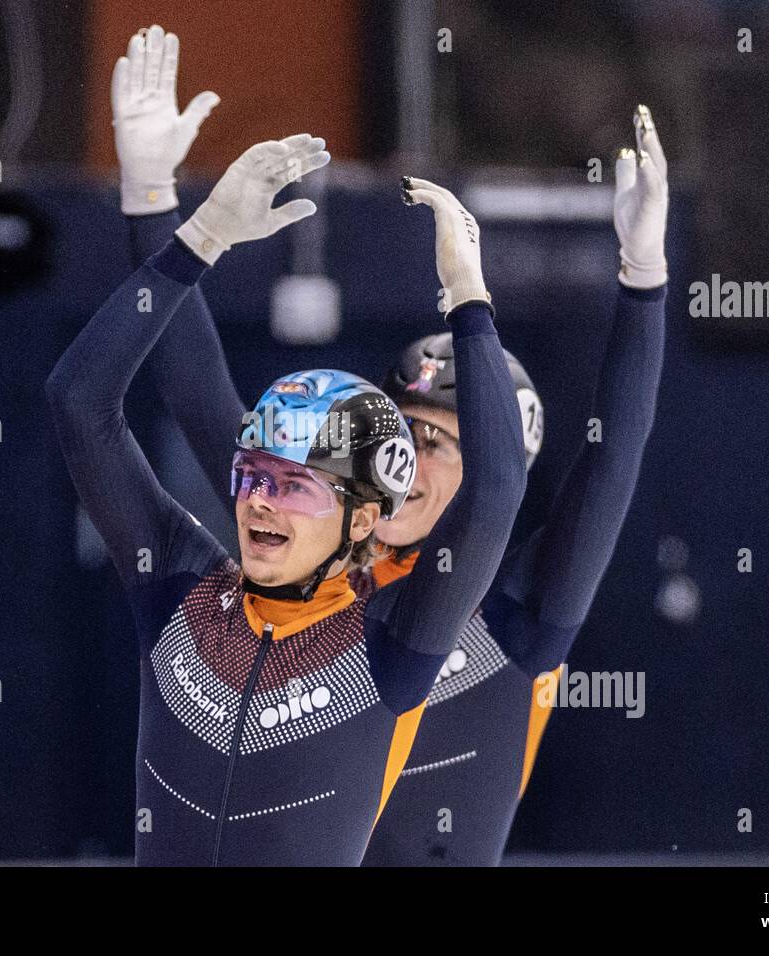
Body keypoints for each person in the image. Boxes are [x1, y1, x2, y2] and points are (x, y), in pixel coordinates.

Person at [113, 25, 668, 864]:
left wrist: (644, 278)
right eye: (405, 430)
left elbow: (616, 455)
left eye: (447, 442)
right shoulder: (306, 537)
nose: (415, 459)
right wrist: (152, 196)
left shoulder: (512, 608)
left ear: (496, 468)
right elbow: (192, 385)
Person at [46, 31, 526, 865]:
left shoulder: (391, 640)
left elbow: (492, 498)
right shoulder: (179, 588)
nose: (261, 498)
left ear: (364, 520)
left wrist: (469, 303)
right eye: (253, 473)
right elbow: (79, 403)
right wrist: (185, 234)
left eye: (298, 485)